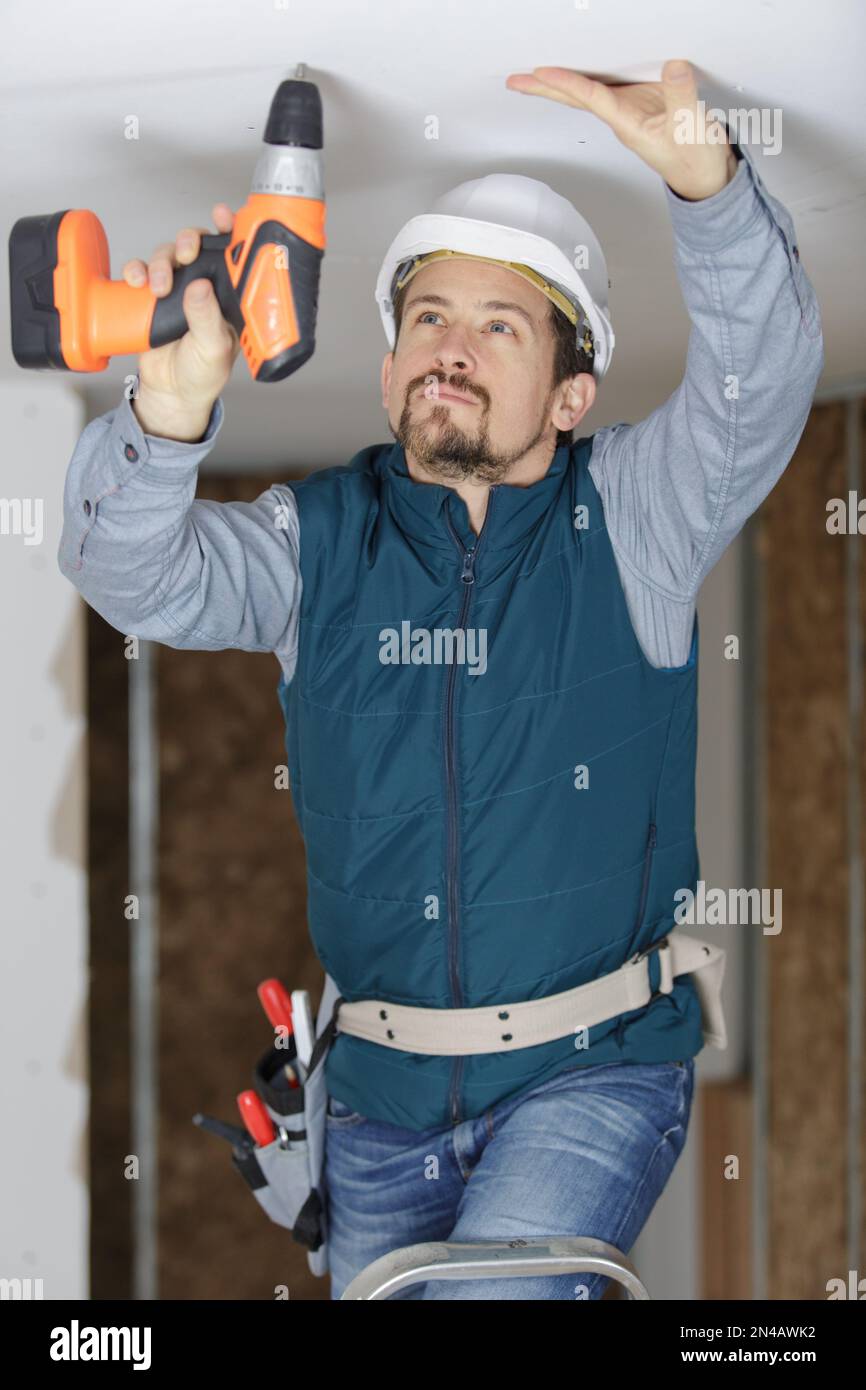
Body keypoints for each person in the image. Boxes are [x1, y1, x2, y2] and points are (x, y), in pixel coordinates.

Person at [58, 61, 823, 1299]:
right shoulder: (317, 545)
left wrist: (707, 183)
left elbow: (761, 382)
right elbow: (127, 570)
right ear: (384, 371)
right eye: (427, 318)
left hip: (594, 1064)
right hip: (373, 1101)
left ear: (572, 396)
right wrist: (165, 409)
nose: (449, 349)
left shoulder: (631, 516)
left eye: (498, 325)